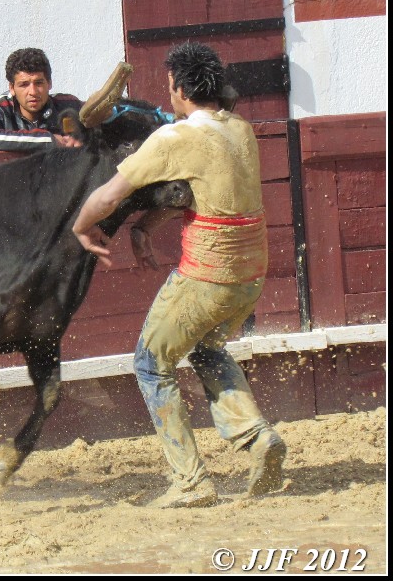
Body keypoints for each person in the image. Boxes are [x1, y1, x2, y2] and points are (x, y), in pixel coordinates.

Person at [71, 41, 286, 508]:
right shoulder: (242, 131)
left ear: (181, 88)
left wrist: (81, 226)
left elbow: (108, 197)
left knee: (151, 362)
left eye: (170, 85)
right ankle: (256, 436)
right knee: (206, 348)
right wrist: (147, 227)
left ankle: (191, 482)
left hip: (208, 273)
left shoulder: (176, 138)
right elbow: (194, 195)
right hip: (252, 273)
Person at [0, 48, 84, 153]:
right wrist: (49, 140)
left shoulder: (68, 105)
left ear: (49, 83)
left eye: (39, 83)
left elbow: (98, 127)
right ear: (12, 88)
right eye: (24, 85)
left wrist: (83, 138)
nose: (33, 92)